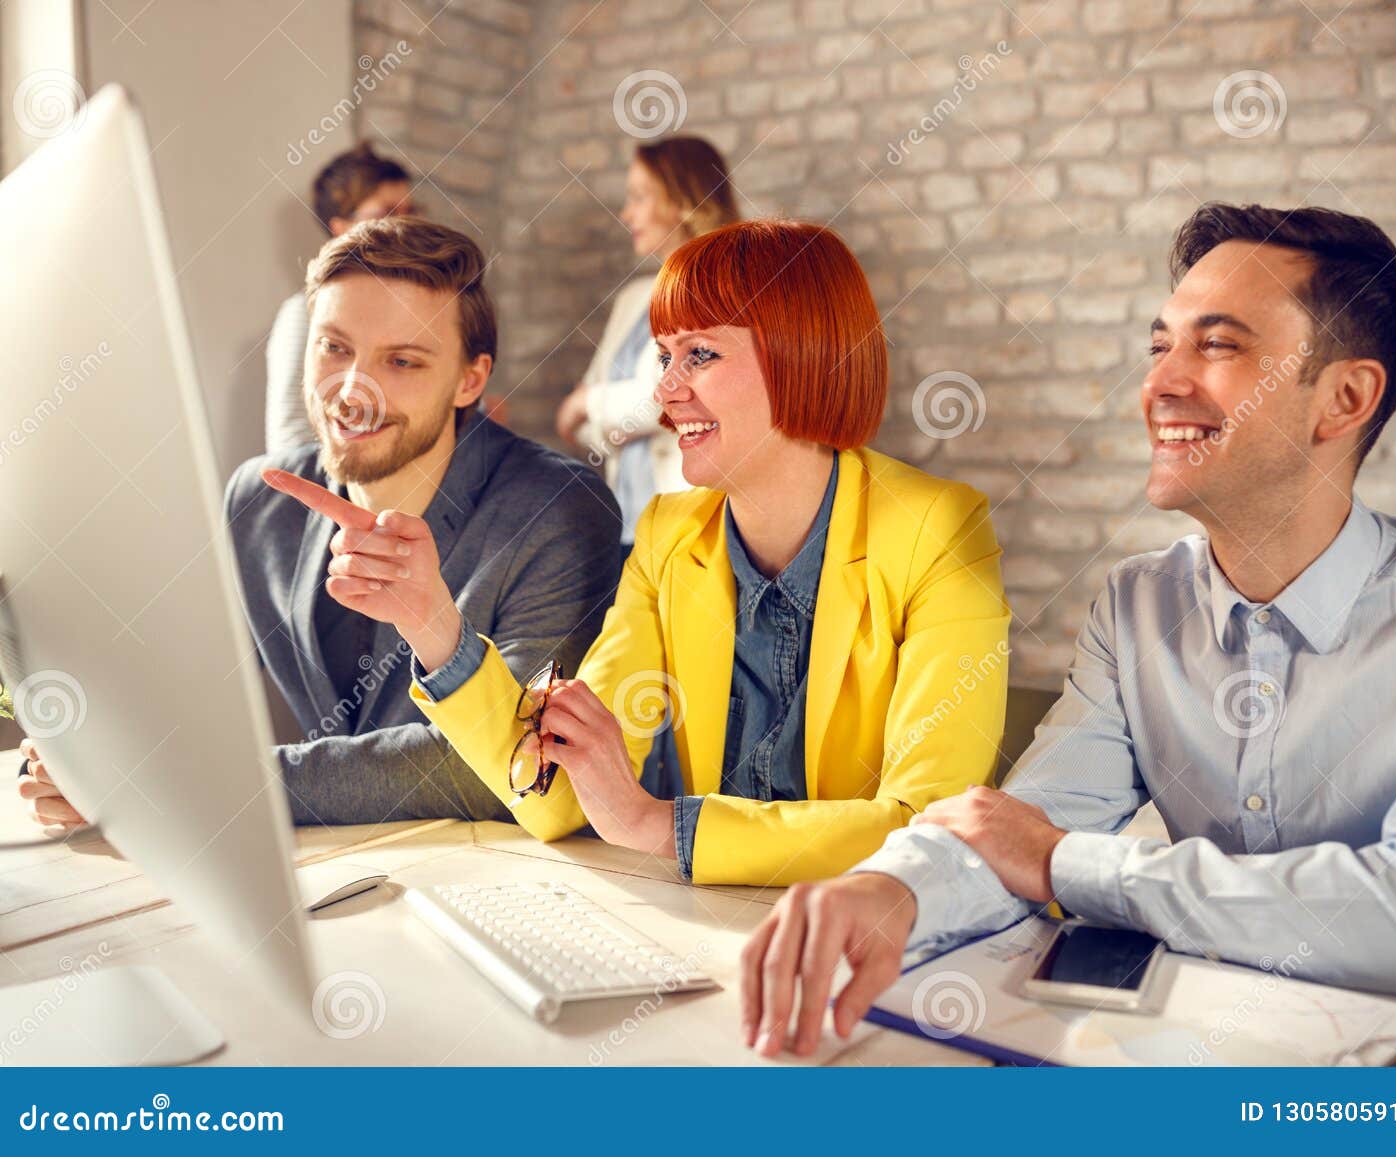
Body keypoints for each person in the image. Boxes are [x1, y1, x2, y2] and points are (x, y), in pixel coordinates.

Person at [741, 202, 1396, 1058]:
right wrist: (887, 890)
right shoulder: (1138, 604)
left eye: (1218, 345)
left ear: (1343, 399)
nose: (1160, 384)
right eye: (1161, 345)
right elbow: (1019, 825)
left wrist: (1066, 864)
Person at [265, 219, 1012, 886]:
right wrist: (432, 620)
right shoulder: (667, 533)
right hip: (700, 928)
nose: (666, 393)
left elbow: (926, 828)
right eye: (664, 357)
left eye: (701, 354)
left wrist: (658, 825)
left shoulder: (939, 529)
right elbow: (555, 790)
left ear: (803, 356)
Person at [18, 217, 619, 829]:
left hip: (499, 878)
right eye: (334, 347)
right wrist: (95, 755)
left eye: (403, 361)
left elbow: (512, 766)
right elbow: (194, 689)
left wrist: (191, 785)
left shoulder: (560, 510)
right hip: (324, 869)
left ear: (470, 380)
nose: (355, 392)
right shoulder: (262, 499)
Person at [554, 137, 740, 565]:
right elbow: (585, 428)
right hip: (627, 526)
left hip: (697, 520)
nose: (626, 214)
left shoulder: (720, 287)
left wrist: (590, 403)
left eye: (639, 197)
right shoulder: (634, 299)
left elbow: (679, 395)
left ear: (681, 201)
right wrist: (608, 411)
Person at [265, 143, 418, 455]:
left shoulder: (418, 305)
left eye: (409, 211)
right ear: (342, 228)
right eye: (387, 213)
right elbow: (291, 439)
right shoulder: (303, 314)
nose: (407, 225)